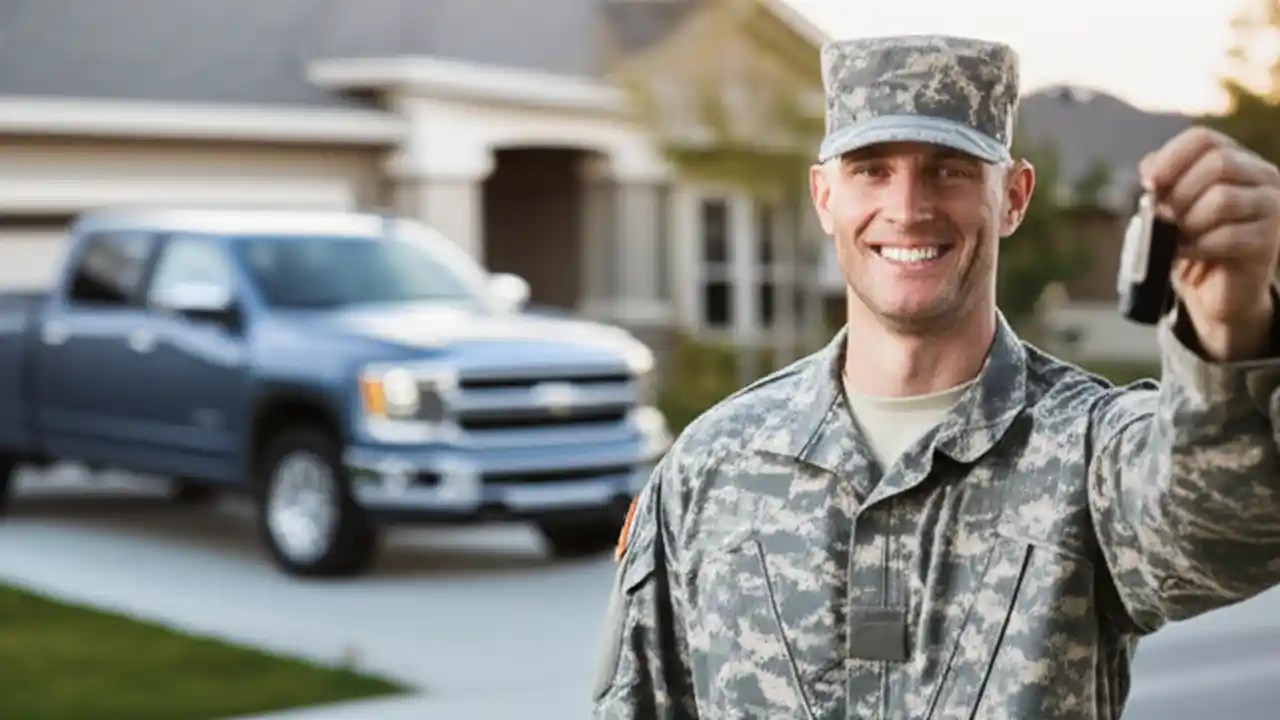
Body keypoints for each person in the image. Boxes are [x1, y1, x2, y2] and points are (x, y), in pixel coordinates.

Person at [589, 33, 1280, 719]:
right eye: (871, 169)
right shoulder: (710, 469)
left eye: (949, 168)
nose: (909, 206)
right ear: (825, 196)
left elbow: (1228, 537)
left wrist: (1229, 329)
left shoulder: (1089, 454)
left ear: (1014, 196)